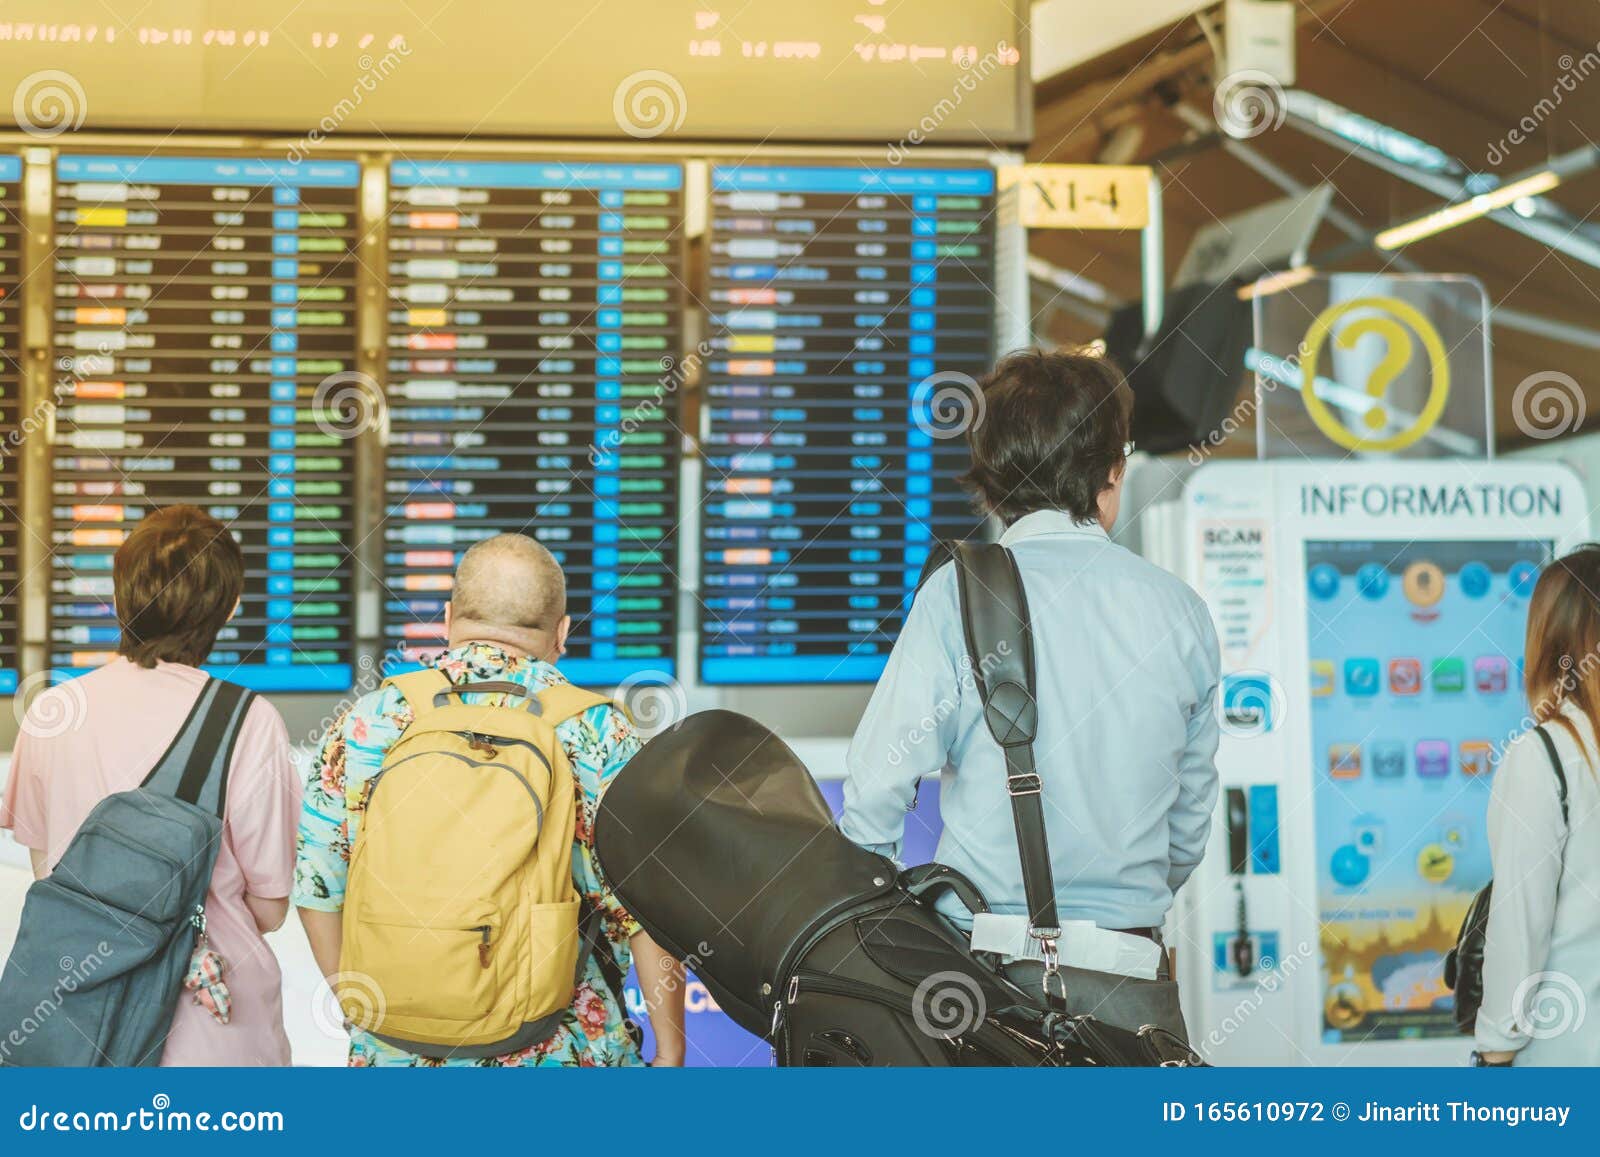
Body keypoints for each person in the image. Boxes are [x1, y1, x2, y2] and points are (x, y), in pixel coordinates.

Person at [841, 349, 1220, 1041]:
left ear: (988, 481)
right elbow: (1188, 828)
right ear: (1113, 469)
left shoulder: (956, 595)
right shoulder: (1182, 612)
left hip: (980, 990)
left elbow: (871, 799)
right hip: (1134, 993)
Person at [294, 532, 686, 1067]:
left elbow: (318, 890)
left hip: (396, 1052)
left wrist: (364, 1006)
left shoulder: (369, 721)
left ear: (450, 617)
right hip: (560, 1048)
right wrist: (671, 1049)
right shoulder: (597, 731)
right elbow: (647, 914)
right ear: (562, 632)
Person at [0, 505, 298, 1065]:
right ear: (229, 607)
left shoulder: (52, 711)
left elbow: (51, 872)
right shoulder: (249, 721)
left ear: (119, 599)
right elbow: (271, 908)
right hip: (213, 1031)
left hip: (72, 1028)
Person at [1475, 545, 1600, 1066]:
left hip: (1564, 1057)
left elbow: (1519, 926)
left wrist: (1495, 1051)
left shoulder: (1545, 756)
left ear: (1548, 639)